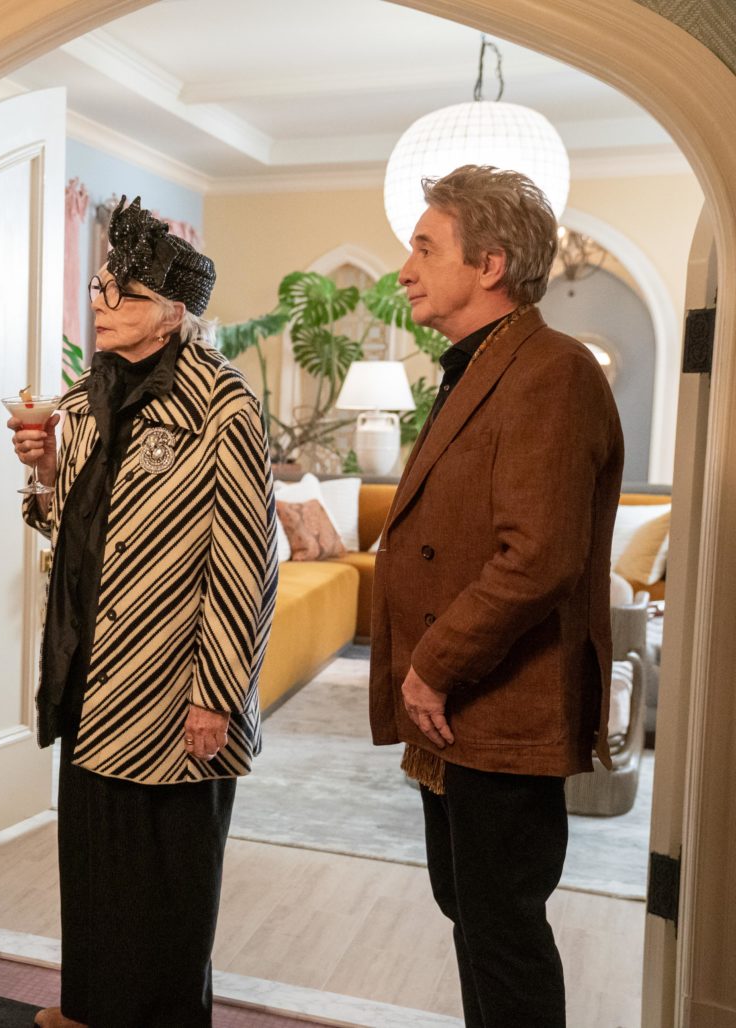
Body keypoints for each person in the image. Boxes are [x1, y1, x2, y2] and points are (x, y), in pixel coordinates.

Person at [7, 197, 277, 1028]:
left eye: (120, 291)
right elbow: (77, 531)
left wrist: (216, 695)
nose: (100, 301)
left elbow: (246, 562)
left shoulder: (223, 406)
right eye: (98, 285)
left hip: (175, 688)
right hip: (92, 677)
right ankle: (90, 1008)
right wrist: (45, 472)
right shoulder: (84, 399)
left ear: (170, 313)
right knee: (95, 867)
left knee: (170, 887)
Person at [369, 165, 624, 1028]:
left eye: (424, 247)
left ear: (490, 264)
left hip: (501, 703)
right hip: (463, 712)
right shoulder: (484, 364)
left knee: (502, 930)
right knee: (471, 913)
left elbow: (538, 557)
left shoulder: (552, 371)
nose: (405, 269)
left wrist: (432, 667)